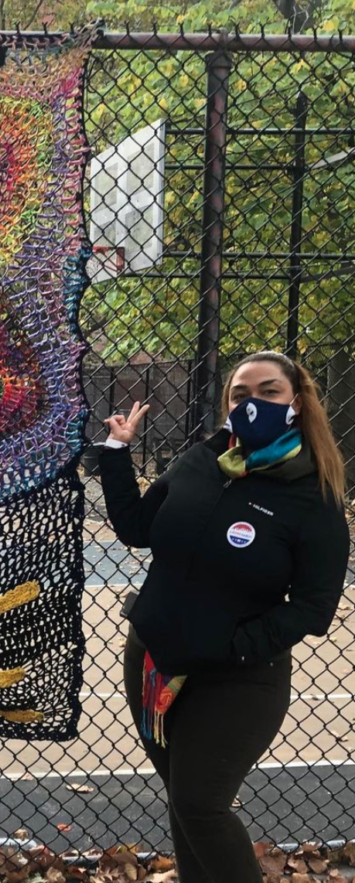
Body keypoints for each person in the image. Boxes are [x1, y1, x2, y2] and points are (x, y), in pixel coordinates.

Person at [97, 350, 351, 883]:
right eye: (240, 393)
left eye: (269, 392)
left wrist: (234, 644)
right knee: (183, 804)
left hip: (238, 676)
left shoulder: (313, 495)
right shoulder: (201, 461)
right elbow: (137, 528)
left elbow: (313, 607)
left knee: (200, 804)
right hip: (153, 661)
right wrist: (117, 451)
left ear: (297, 404)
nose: (252, 402)